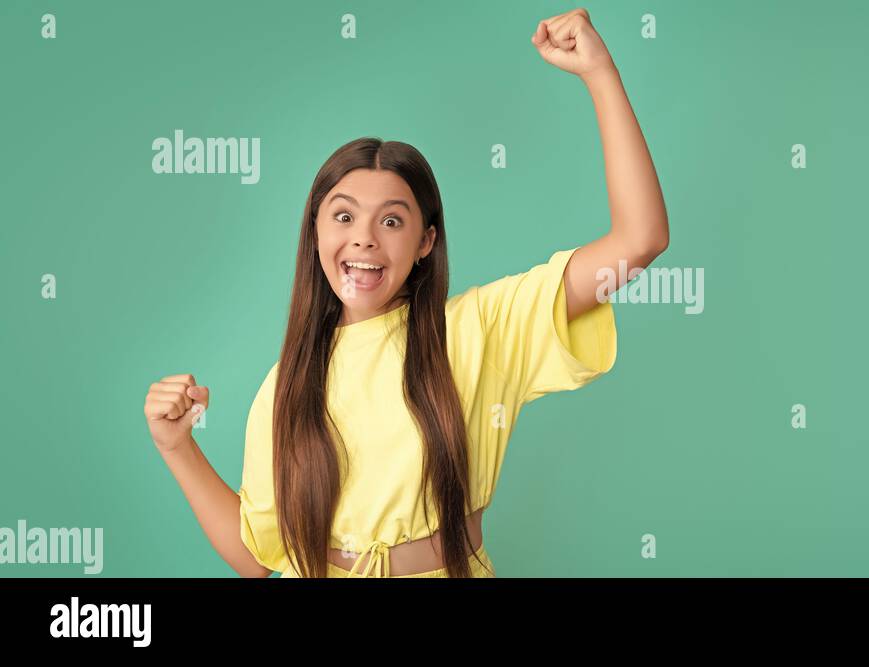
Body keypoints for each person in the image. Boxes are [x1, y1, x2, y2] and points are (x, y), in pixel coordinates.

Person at [143, 8, 669, 577]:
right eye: (342, 217)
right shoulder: (288, 382)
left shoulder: (480, 329)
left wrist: (601, 74)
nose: (363, 239)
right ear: (316, 233)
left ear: (426, 241)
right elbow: (255, 558)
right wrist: (177, 446)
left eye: (391, 221)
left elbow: (639, 240)